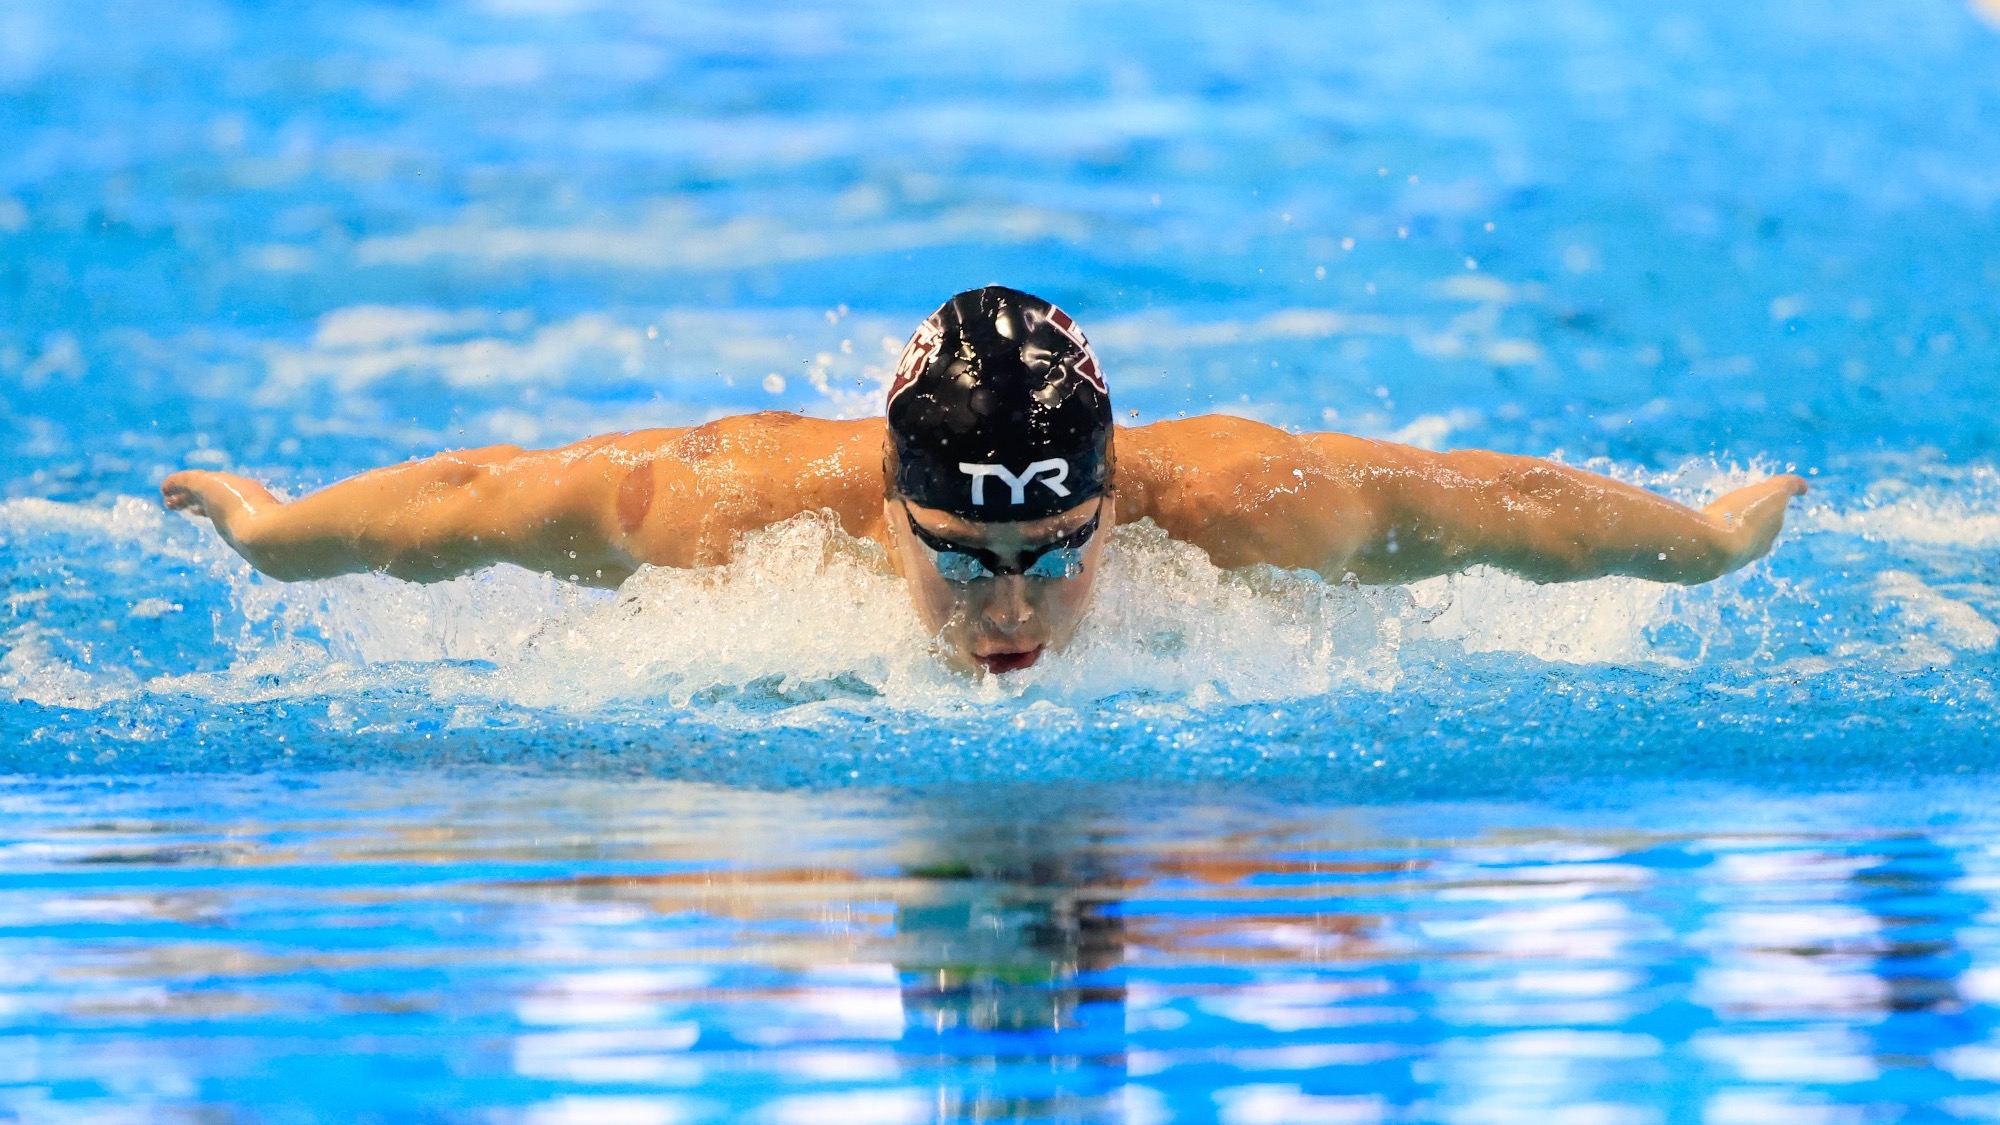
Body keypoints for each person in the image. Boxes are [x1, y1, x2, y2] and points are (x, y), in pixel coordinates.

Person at [162, 286, 1807, 675]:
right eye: (959, 557)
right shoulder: (729, 506)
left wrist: (1711, 548)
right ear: (887, 506)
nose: (1011, 605)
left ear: (1108, 505)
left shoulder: (1247, 503)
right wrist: (267, 533)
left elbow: (1496, 505)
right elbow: (467, 500)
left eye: (1051, 552)